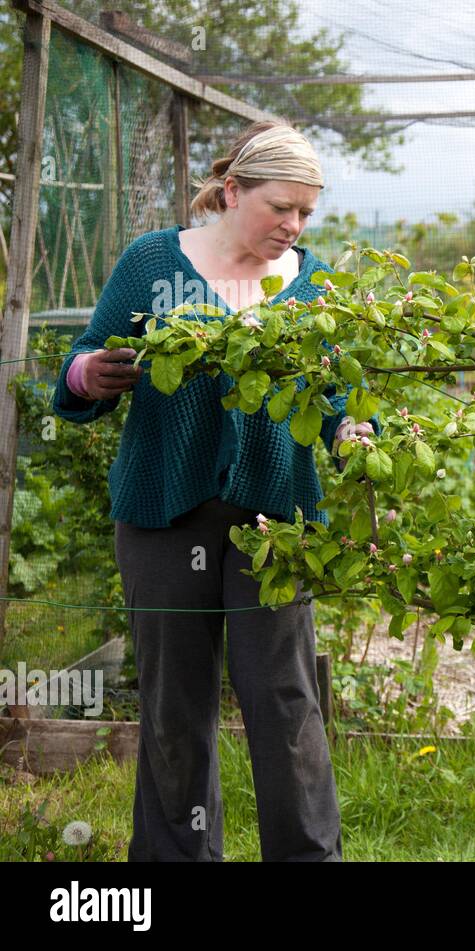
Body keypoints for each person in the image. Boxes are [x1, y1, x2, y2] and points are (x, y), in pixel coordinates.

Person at [52, 120, 379, 861]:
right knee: (174, 702)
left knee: (285, 699)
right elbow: (79, 364)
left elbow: (338, 393)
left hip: (276, 519)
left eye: (306, 212)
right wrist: (88, 374)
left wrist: (352, 432)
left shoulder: (311, 282)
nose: (293, 226)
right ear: (233, 191)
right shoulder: (153, 265)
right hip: (164, 514)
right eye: (280, 207)